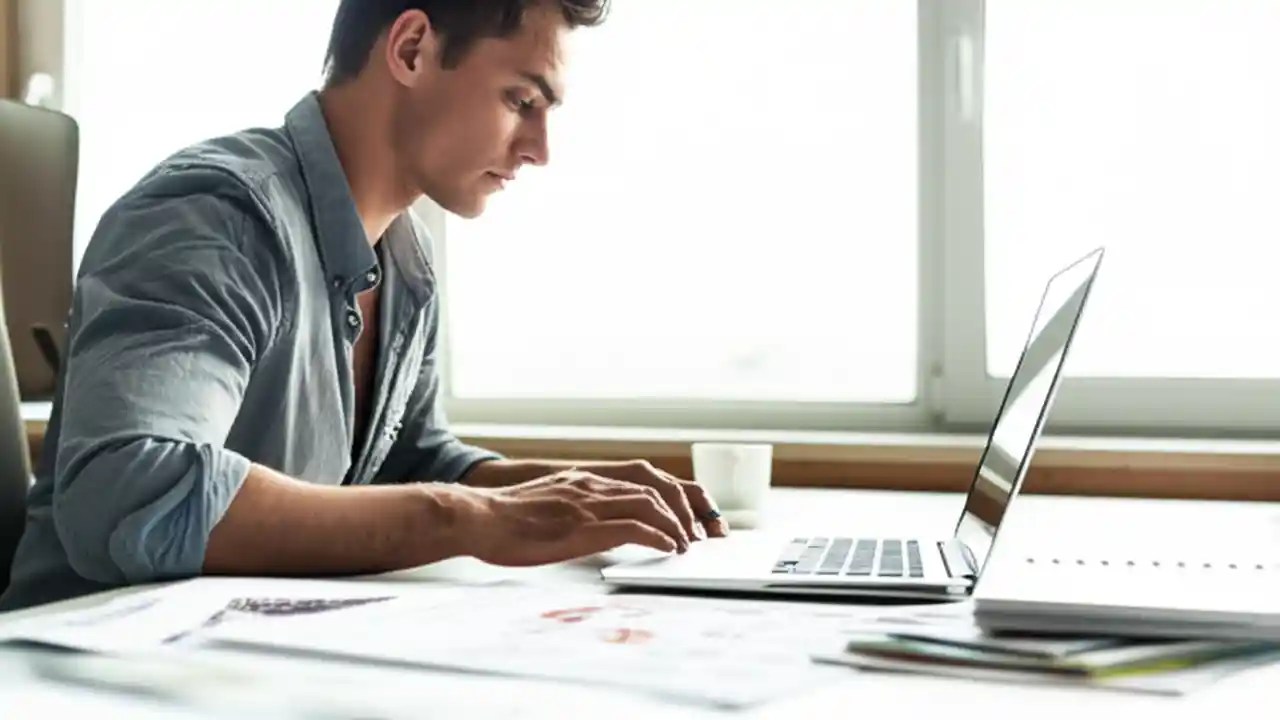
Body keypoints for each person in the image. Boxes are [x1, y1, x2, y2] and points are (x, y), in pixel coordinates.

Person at [0, 0, 728, 612]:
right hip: (83, 669)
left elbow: (407, 463)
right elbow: (131, 491)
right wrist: (469, 517)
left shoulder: (405, 266)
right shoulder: (214, 216)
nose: (540, 149)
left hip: (252, 661)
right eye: (522, 100)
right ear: (411, 48)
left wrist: (572, 495)